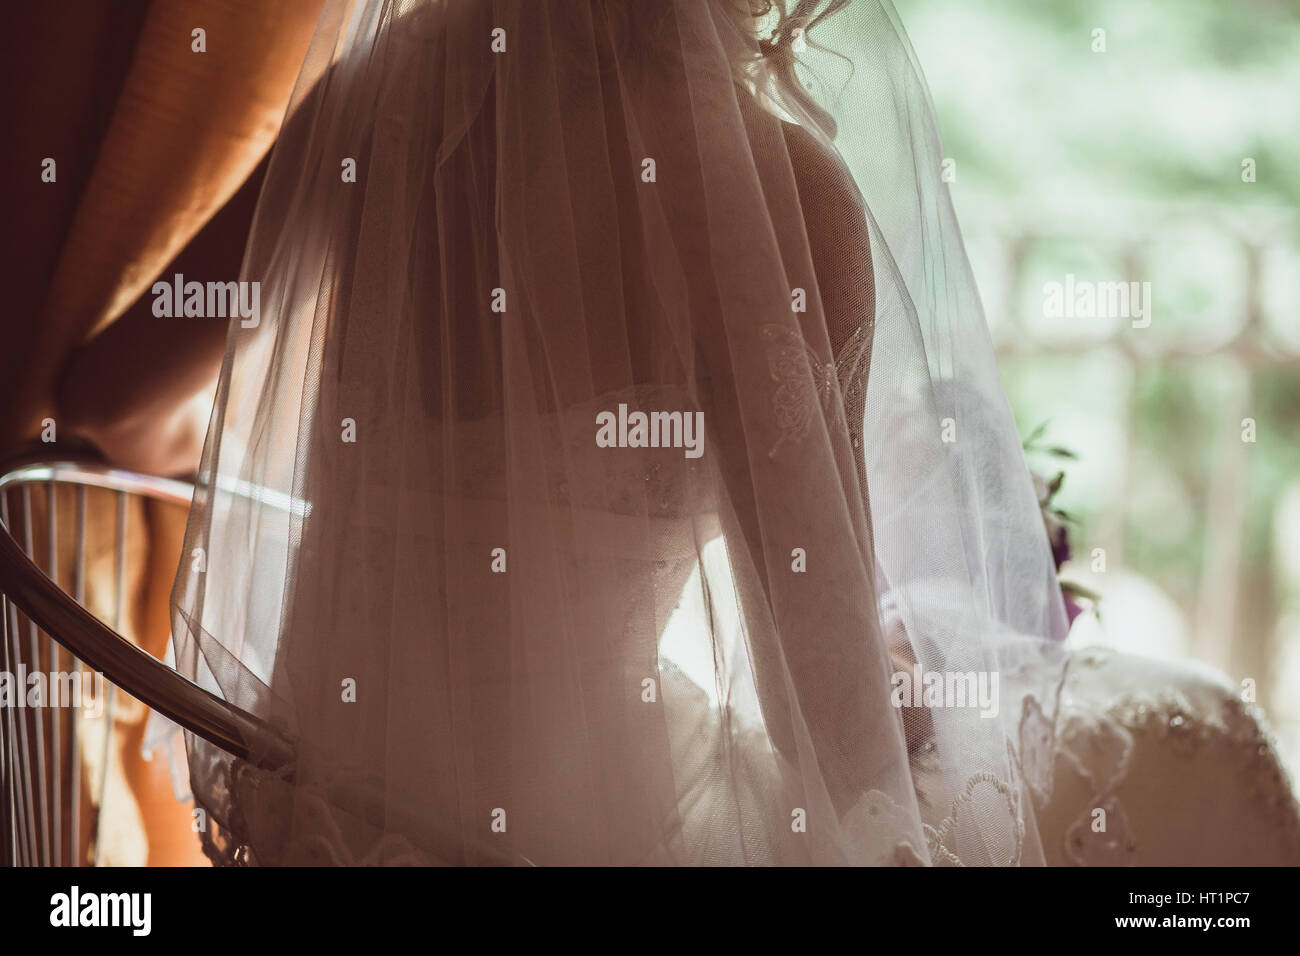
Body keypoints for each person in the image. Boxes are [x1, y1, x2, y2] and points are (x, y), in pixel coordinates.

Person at [161, 0, 1299, 866]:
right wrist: (908, 672)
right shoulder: (768, 192)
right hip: (572, 835)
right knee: (1151, 758)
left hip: (311, 811)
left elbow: (111, 395)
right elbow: (829, 712)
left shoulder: (374, 103)